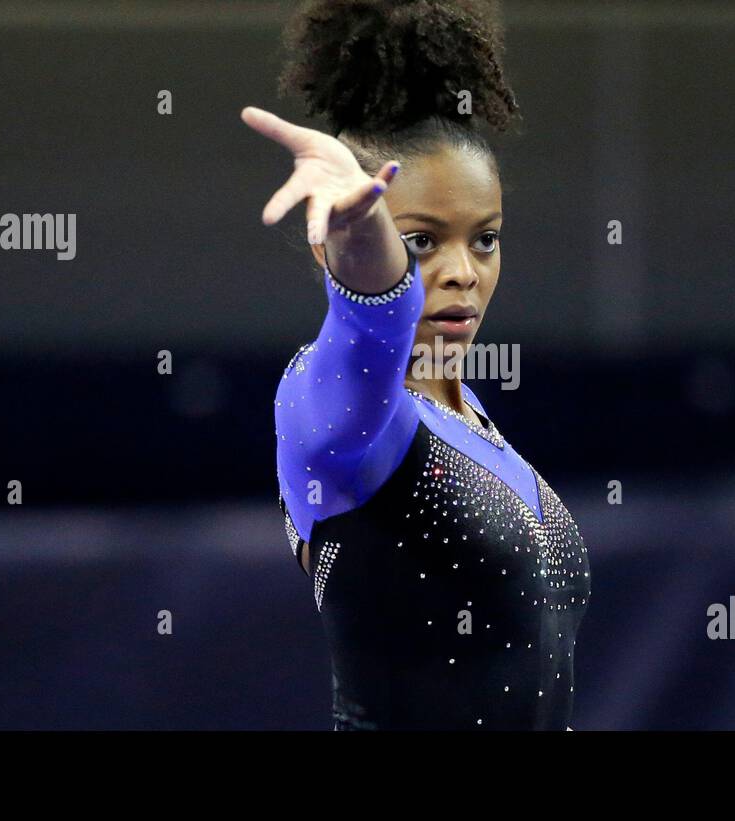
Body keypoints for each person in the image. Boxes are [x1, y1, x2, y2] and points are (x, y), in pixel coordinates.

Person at [242, 0, 590, 730]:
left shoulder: (472, 418)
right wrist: (364, 233)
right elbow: (373, 325)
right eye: (424, 241)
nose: (463, 271)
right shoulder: (332, 409)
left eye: (485, 239)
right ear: (328, 244)